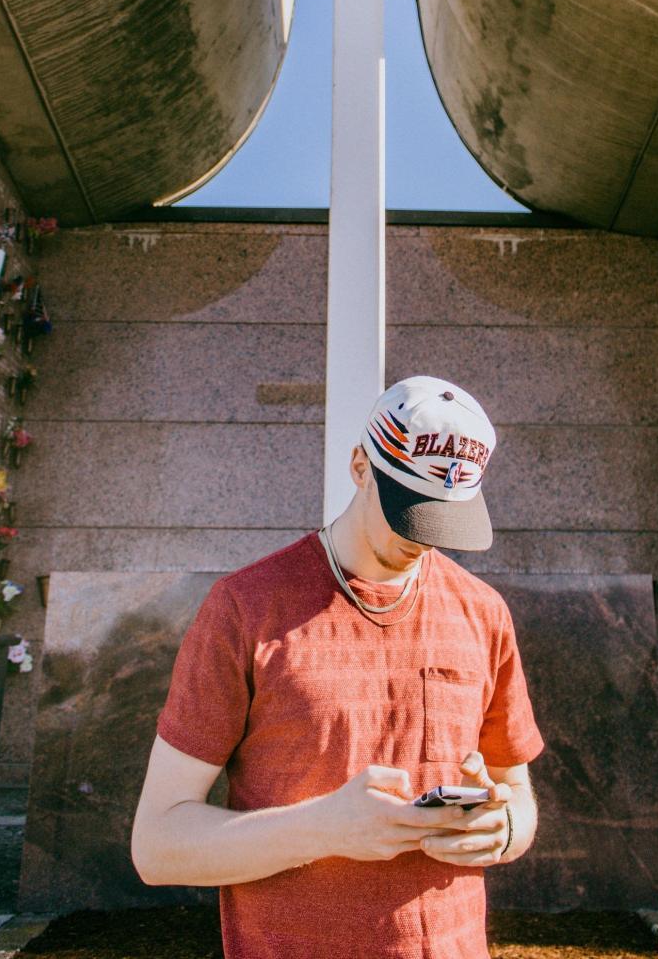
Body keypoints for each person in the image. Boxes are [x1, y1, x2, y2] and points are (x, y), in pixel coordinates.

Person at [132, 376, 544, 958]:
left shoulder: (483, 612)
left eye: (441, 519)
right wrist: (327, 828)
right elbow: (157, 846)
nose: (421, 539)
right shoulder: (245, 609)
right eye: (408, 509)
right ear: (359, 465)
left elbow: (516, 795)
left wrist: (500, 832)